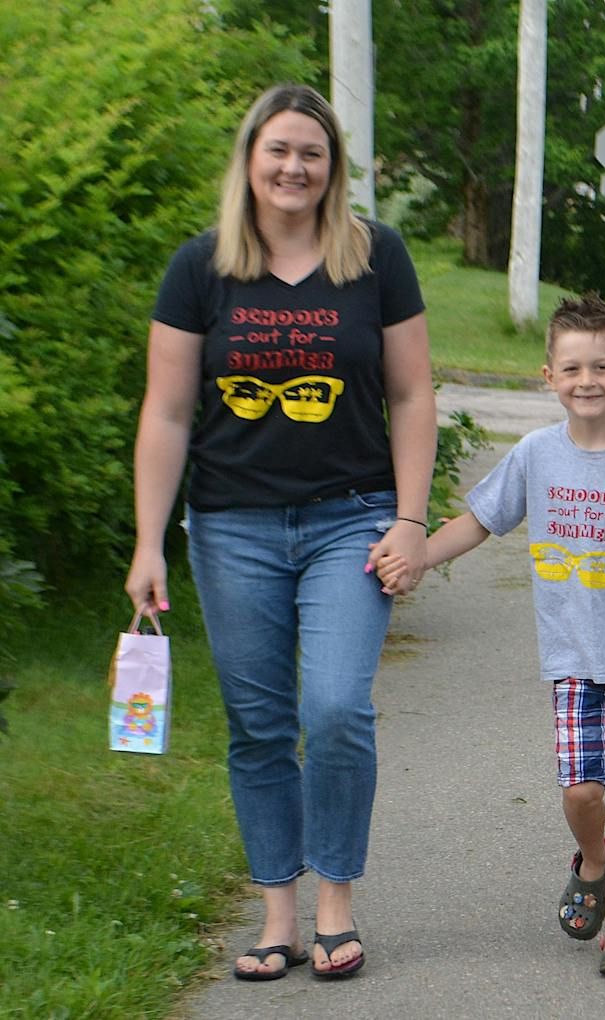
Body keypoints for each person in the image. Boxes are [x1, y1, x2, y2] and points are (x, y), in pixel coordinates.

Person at [124, 83, 438, 982]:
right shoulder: (200, 268)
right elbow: (169, 413)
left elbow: (413, 395)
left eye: (312, 152)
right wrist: (150, 542)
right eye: (279, 151)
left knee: (336, 707)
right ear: (249, 160)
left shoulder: (375, 258)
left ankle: (335, 902)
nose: (294, 167)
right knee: (258, 725)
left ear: (332, 167)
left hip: (352, 518)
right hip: (231, 528)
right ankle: (277, 916)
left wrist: (411, 521)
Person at [376, 295, 605, 977]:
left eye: (601, 366)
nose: (587, 380)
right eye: (572, 367)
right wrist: (420, 555)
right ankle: (595, 858)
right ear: (548, 375)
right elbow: (483, 520)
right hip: (574, 654)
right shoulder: (535, 454)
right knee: (582, 790)